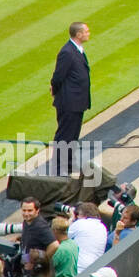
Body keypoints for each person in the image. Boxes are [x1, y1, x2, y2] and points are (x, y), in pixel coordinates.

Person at [50, 21, 91, 175]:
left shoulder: (78, 50)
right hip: (69, 102)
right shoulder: (67, 52)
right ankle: (59, 168)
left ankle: (68, 164)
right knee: (64, 135)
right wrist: (54, 88)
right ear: (78, 34)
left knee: (73, 135)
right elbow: (58, 76)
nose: (88, 33)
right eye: (86, 31)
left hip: (78, 102)